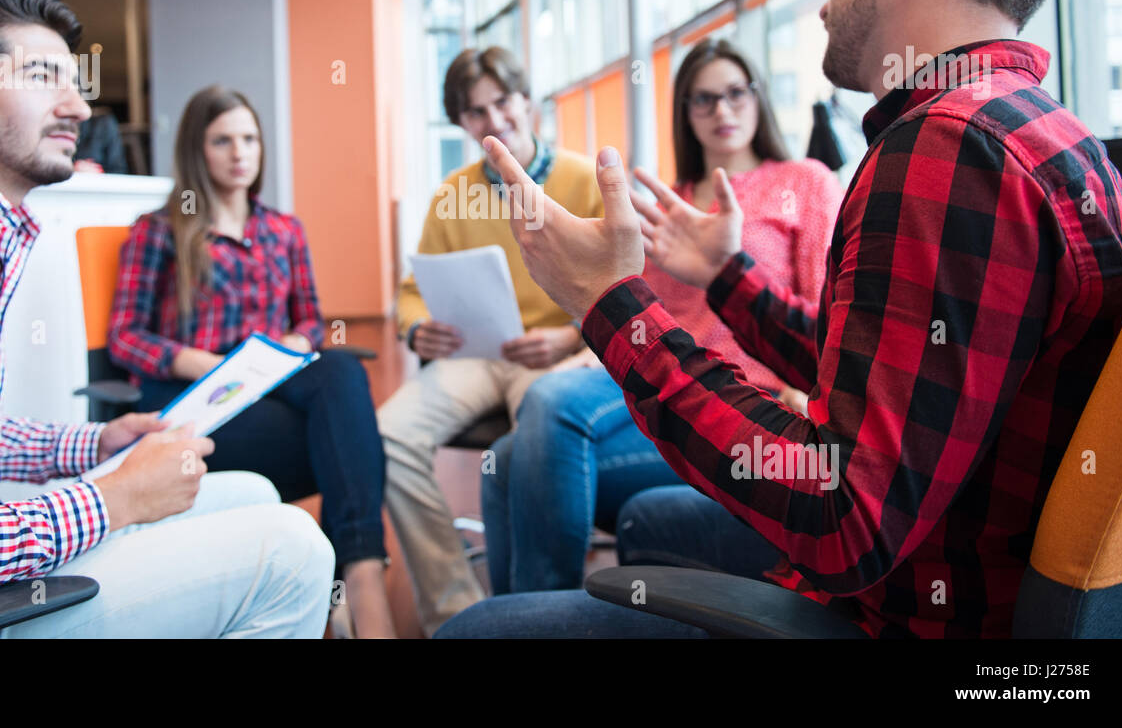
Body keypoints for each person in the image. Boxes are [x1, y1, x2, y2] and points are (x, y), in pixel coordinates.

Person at [438, 0, 1122, 639]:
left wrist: (607, 301)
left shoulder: (945, 152)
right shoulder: (1053, 136)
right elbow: (898, 378)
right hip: (962, 589)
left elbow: (846, 516)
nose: (822, 1)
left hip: (890, 615)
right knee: (640, 520)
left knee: (475, 631)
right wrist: (727, 277)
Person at [0, 0, 334, 637]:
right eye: (43, 78)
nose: (77, 105)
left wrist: (96, 441)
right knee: (294, 548)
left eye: (73, 82)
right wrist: (113, 497)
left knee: (255, 493)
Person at [481, 38, 842, 595]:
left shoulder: (805, 181)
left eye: (735, 94)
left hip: (746, 393)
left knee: (543, 413)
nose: (723, 111)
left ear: (757, 97)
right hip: (656, 371)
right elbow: (634, 306)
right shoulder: (663, 201)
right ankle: (524, 615)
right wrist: (574, 349)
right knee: (506, 458)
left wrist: (806, 390)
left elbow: (823, 315)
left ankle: (540, 611)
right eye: (704, 100)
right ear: (685, 112)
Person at [107, 85, 395, 638]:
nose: (240, 153)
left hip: (272, 380)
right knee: (348, 444)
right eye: (222, 141)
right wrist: (206, 362)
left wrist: (291, 341)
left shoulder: (283, 229)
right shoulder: (159, 231)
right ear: (198, 150)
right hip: (199, 402)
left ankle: (359, 579)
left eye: (249, 139)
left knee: (339, 370)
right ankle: (357, 597)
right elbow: (125, 337)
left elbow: (312, 318)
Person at [378, 46, 604, 635]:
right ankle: (455, 610)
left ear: (526, 99)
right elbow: (409, 291)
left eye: (502, 101)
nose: (494, 120)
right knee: (389, 435)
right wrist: (416, 327)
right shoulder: (452, 191)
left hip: (553, 355)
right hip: (476, 356)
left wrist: (567, 336)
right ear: (461, 123)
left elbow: (624, 282)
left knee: (538, 435)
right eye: (476, 112)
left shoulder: (583, 180)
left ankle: (539, 608)